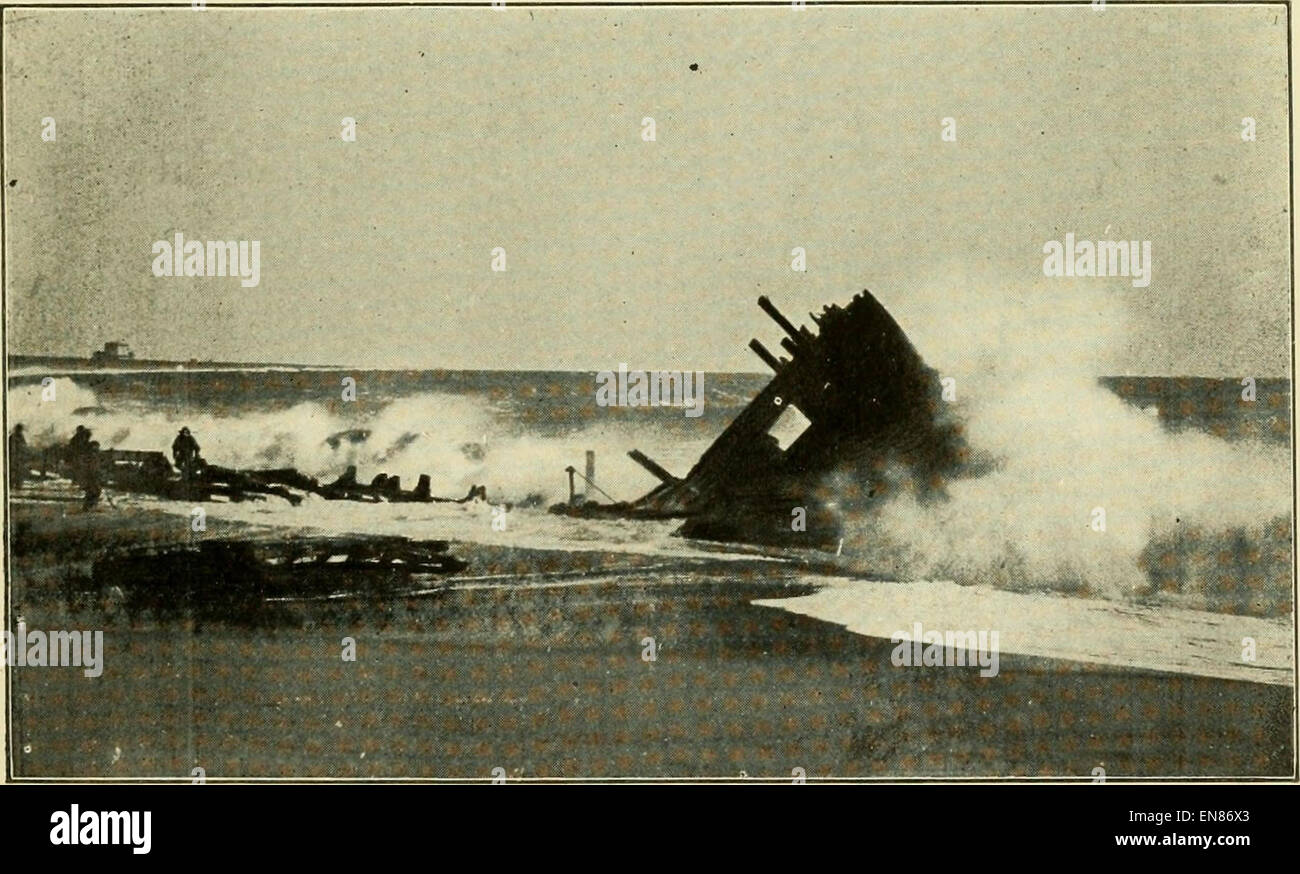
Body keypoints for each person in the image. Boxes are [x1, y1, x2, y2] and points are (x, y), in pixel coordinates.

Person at [8, 423, 28, 488]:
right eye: (20, 430)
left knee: (19, 472)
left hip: (19, 458)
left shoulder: (21, 437)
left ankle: (18, 485)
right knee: (13, 472)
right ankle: (12, 485)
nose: (20, 431)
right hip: (13, 457)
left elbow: (24, 446)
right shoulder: (12, 437)